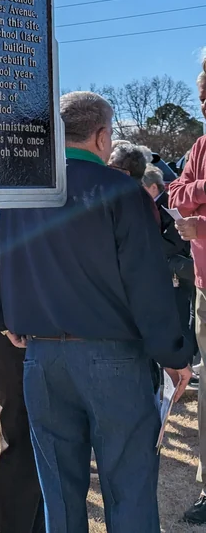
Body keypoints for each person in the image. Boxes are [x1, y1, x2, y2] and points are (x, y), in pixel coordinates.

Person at [0, 92, 192, 533]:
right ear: (102, 136)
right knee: (129, 489)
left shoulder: (19, 191)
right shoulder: (122, 192)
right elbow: (147, 284)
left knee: (60, 495)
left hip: (42, 360)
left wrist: (7, 320)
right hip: (116, 358)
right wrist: (174, 354)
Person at [168, 72, 206, 525]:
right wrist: (200, 190)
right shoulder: (199, 146)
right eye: (202, 97)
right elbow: (176, 195)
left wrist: (201, 224)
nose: (205, 105)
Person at [143, 164, 197, 360]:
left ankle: (185, 358)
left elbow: (174, 241)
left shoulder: (169, 205)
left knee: (182, 317)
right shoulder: (151, 205)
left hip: (178, 271)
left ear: (153, 187)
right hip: (165, 270)